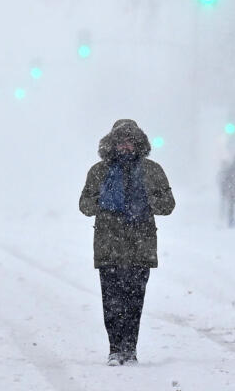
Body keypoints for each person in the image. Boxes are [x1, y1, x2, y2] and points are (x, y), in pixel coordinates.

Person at [78, 119, 175, 366]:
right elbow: (85, 206)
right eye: (121, 141)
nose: (126, 147)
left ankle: (130, 350)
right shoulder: (99, 172)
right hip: (108, 247)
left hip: (140, 248)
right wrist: (104, 198)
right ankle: (114, 350)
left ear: (139, 143)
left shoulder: (152, 171)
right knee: (111, 302)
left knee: (134, 303)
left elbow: (168, 206)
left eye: (131, 141)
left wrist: (148, 197)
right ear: (112, 144)